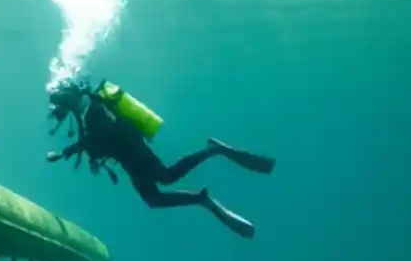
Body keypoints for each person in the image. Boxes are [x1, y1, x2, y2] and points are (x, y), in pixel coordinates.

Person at [45, 78, 275, 239]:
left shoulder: (95, 111)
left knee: (167, 177)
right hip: (130, 161)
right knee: (154, 199)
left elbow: (97, 138)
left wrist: (66, 152)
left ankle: (211, 151)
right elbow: (95, 141)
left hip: (136, 155)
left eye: (62, 105)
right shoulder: (91, 111)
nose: (61, 112)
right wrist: (70, 151)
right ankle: (200, 197)